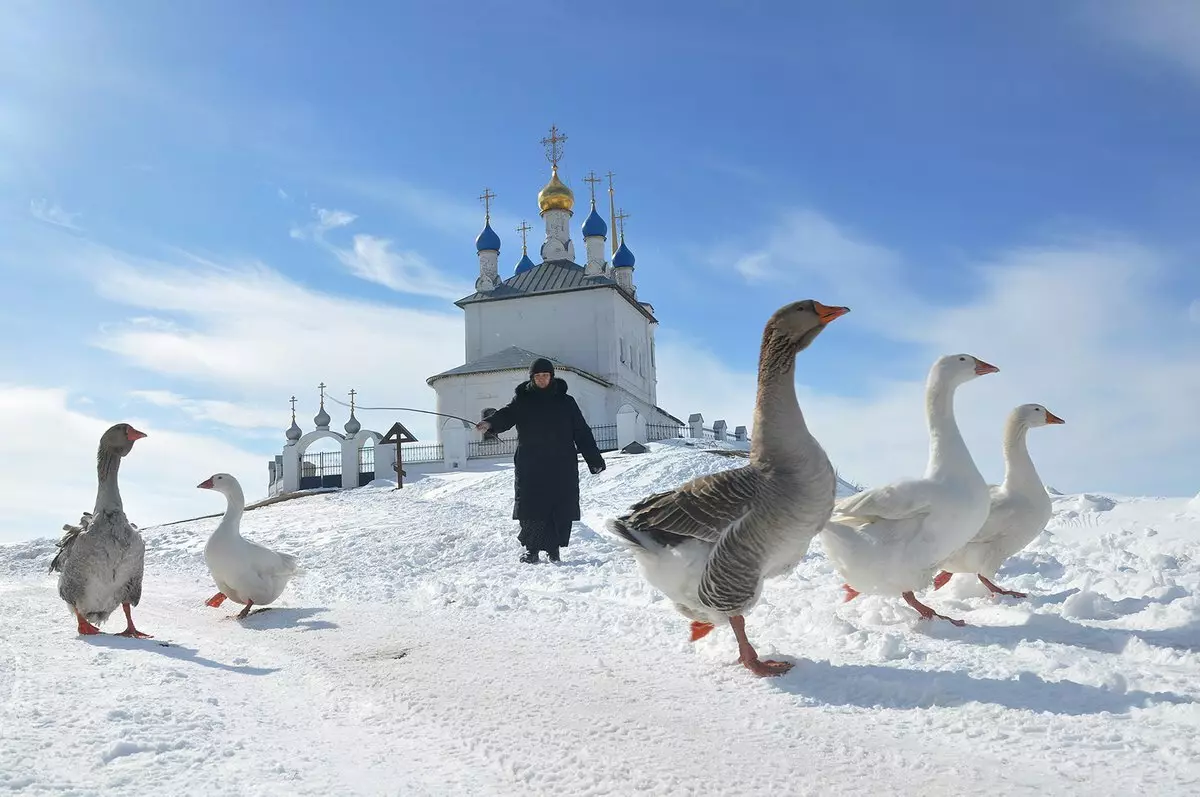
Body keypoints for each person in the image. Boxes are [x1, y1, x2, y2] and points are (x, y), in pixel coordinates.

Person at [475, 357, 606, 563]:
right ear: (532, 378)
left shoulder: (566, 402)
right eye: (538, 376)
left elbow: (581, 432)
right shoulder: (523, 400)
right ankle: (532, 550)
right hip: (531, 463)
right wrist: (490, 423)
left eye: (545, 375)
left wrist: (594, 459)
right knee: (531, 507)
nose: (542, 379)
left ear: (551, 377)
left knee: (558, 508)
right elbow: (507, 415)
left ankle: (554, 550)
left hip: (560, 464)